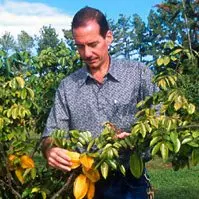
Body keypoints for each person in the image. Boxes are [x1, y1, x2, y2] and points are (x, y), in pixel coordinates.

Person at [41, 6, 156, 199]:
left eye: (93, 44)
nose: (87, 53)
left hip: (130, 180)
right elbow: (50, 135)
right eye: (80, 46)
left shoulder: (139, 74)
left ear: (108, 37)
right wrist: (50, 149)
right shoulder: (67, 86)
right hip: (86, 182)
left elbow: (160, 120)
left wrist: (135, 140)